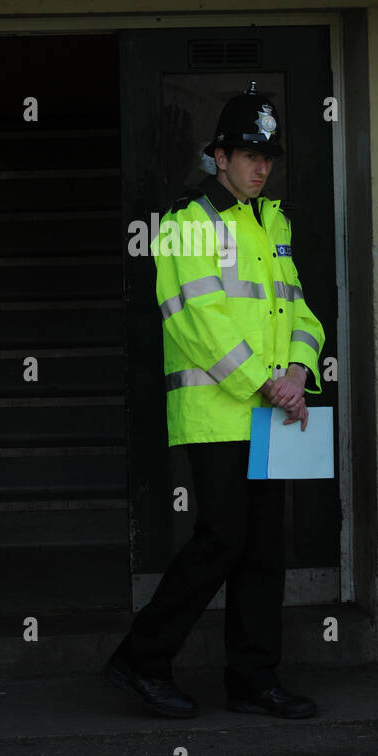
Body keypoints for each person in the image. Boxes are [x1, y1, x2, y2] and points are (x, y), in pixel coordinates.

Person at [105, 82, 325, 719]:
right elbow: (194, 321)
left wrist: (298, 371)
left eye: (268, 157)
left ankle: (254, 680)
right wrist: (267, 382)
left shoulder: (272, 221)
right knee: (222, 539)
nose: (261, 167)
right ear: (219, 157)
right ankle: (141, 659)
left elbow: (300, 311)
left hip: (273, 409)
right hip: (218, 412)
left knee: (264, 549)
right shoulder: (184, 223)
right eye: (249, 155)